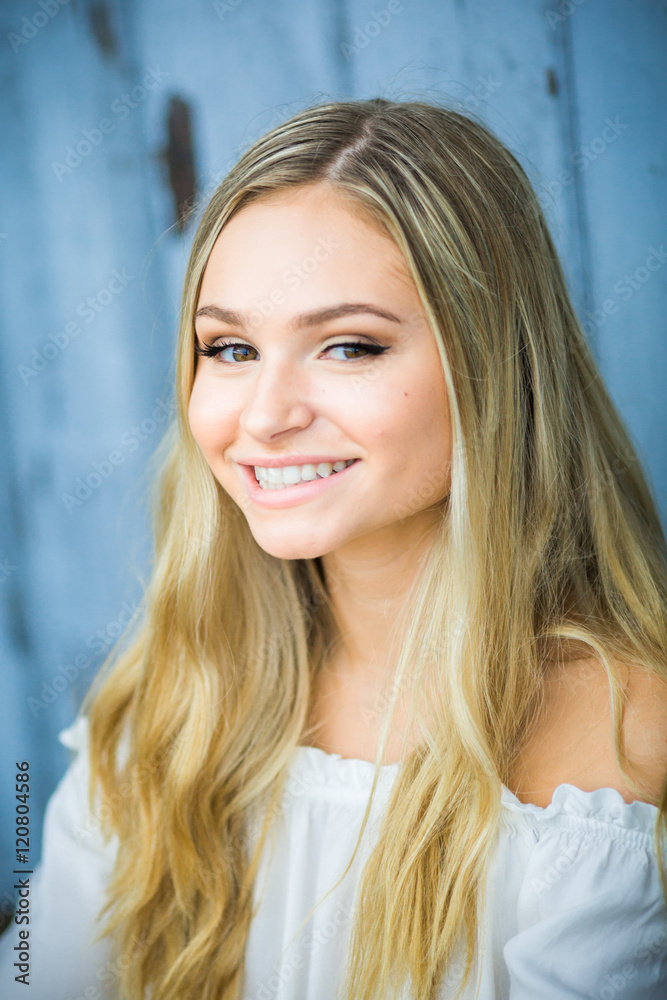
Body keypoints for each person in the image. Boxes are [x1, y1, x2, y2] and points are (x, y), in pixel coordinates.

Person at [1, 96, 666, 1000]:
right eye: (230, 349)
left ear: (495, 363)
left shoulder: (627, 737)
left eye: (348, 346)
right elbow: (38, 975)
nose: (265, 418)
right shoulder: (174, 692)